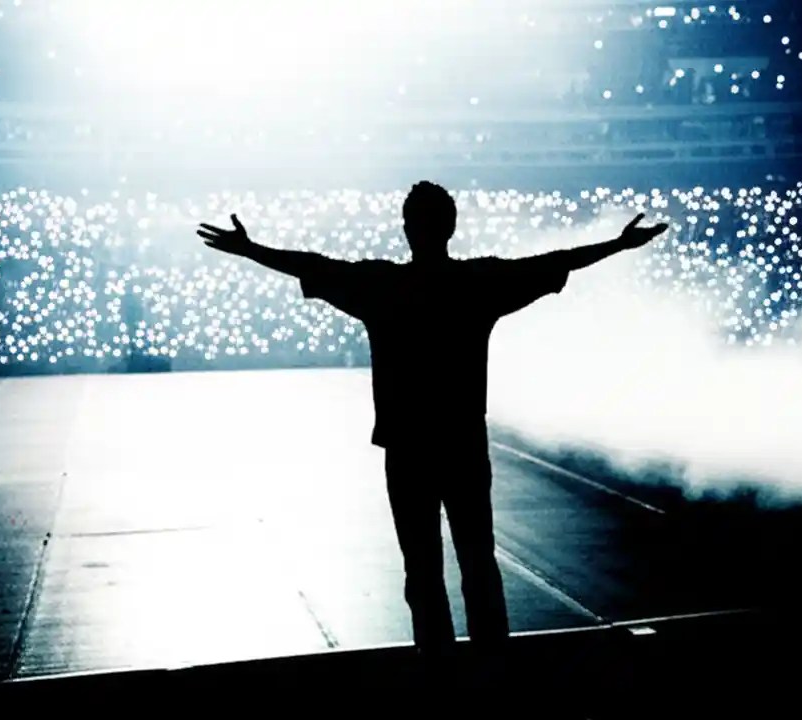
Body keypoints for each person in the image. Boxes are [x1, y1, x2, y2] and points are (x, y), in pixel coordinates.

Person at [197, 181, 667, 669]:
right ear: (451, 227)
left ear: (406, 229)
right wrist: (617, 244)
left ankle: (436, 662)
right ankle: (492, 662)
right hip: (462, 442)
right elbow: (553, 262)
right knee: (478, 559)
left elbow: (311, 264)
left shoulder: (381, 288)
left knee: (420, 564)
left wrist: (250, 249)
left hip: (407, 447)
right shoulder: (478, 285)